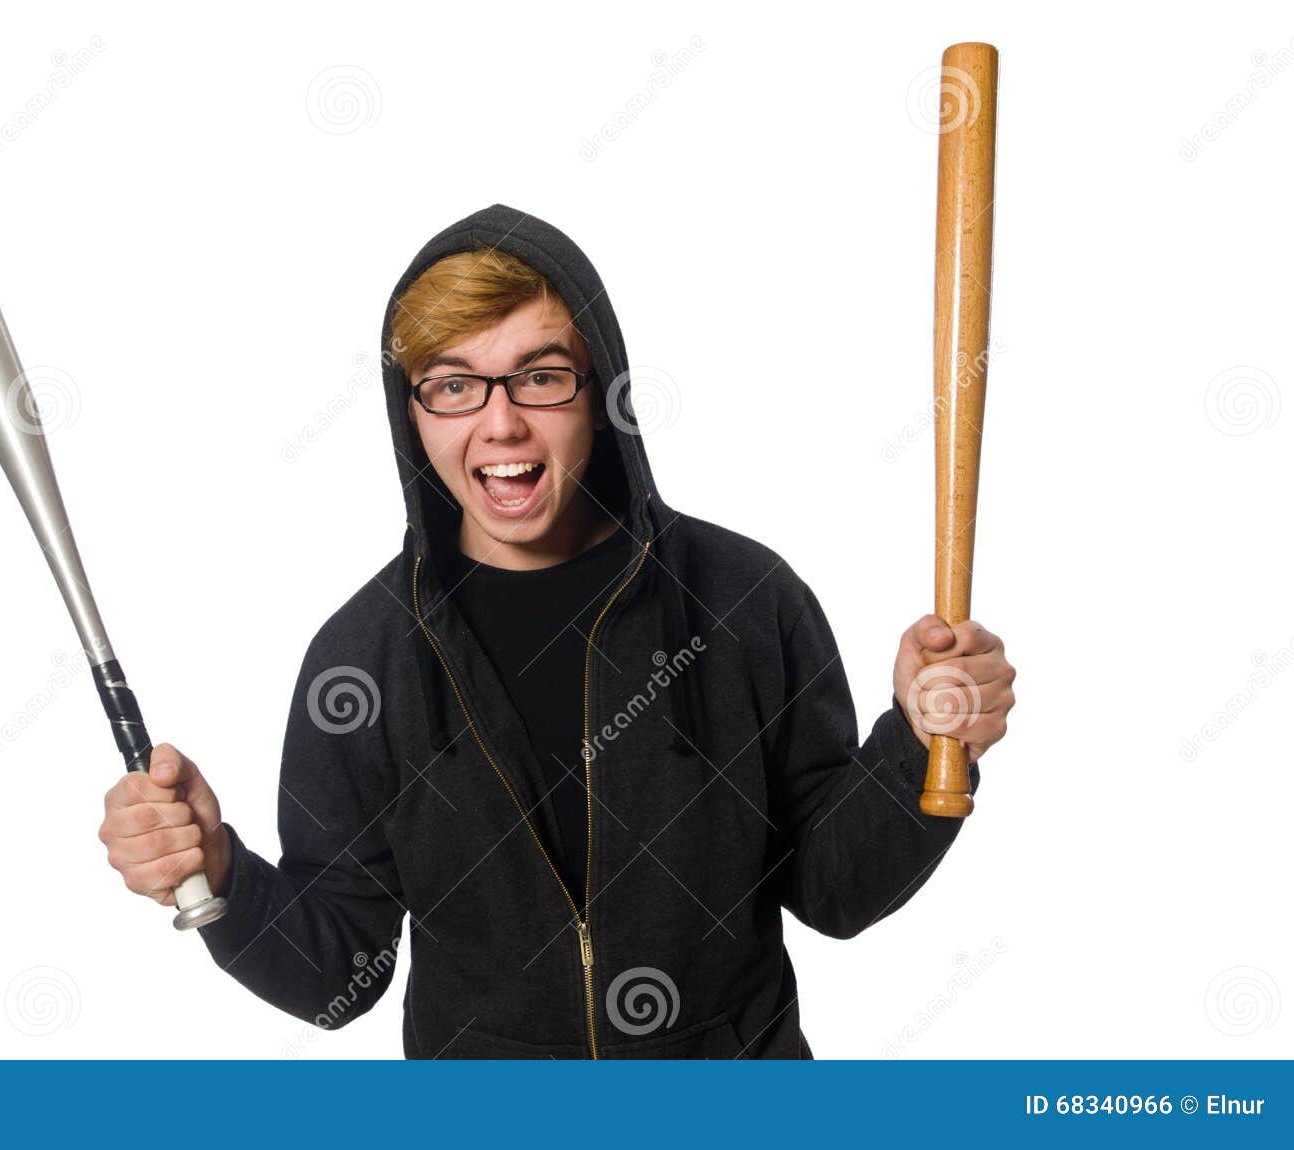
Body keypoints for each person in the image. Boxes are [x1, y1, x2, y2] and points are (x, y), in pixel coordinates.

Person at [97, 204, 1017, 1058]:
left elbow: (834, 890)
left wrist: (924, 743)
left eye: (539, 376)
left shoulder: (747, 601)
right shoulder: (362, 661)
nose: (501, 424)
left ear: (601, 390)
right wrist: (218, 878)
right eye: (452, 385)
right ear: (410, 413)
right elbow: (338, 974)